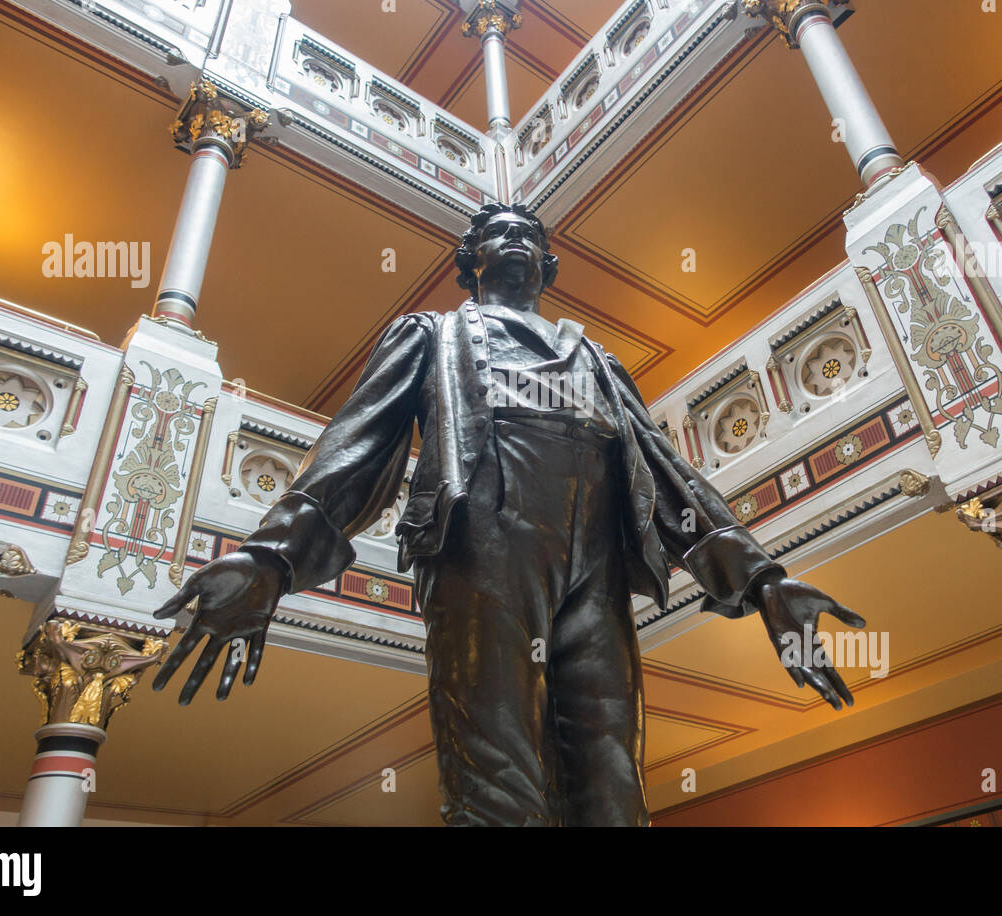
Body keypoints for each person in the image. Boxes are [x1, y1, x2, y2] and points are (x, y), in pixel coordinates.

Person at [152, 202, 866, 825]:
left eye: (529, 233)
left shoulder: (597, 359)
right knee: (497, 786)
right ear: (470, 262)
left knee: (613, 780)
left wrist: (761, 580)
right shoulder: (430, 336)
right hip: (481, 547)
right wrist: (272, 558)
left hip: (596, 561)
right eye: (498, 233)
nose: (516, 239)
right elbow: (355, 447)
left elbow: (668, 475)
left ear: (550, 265)